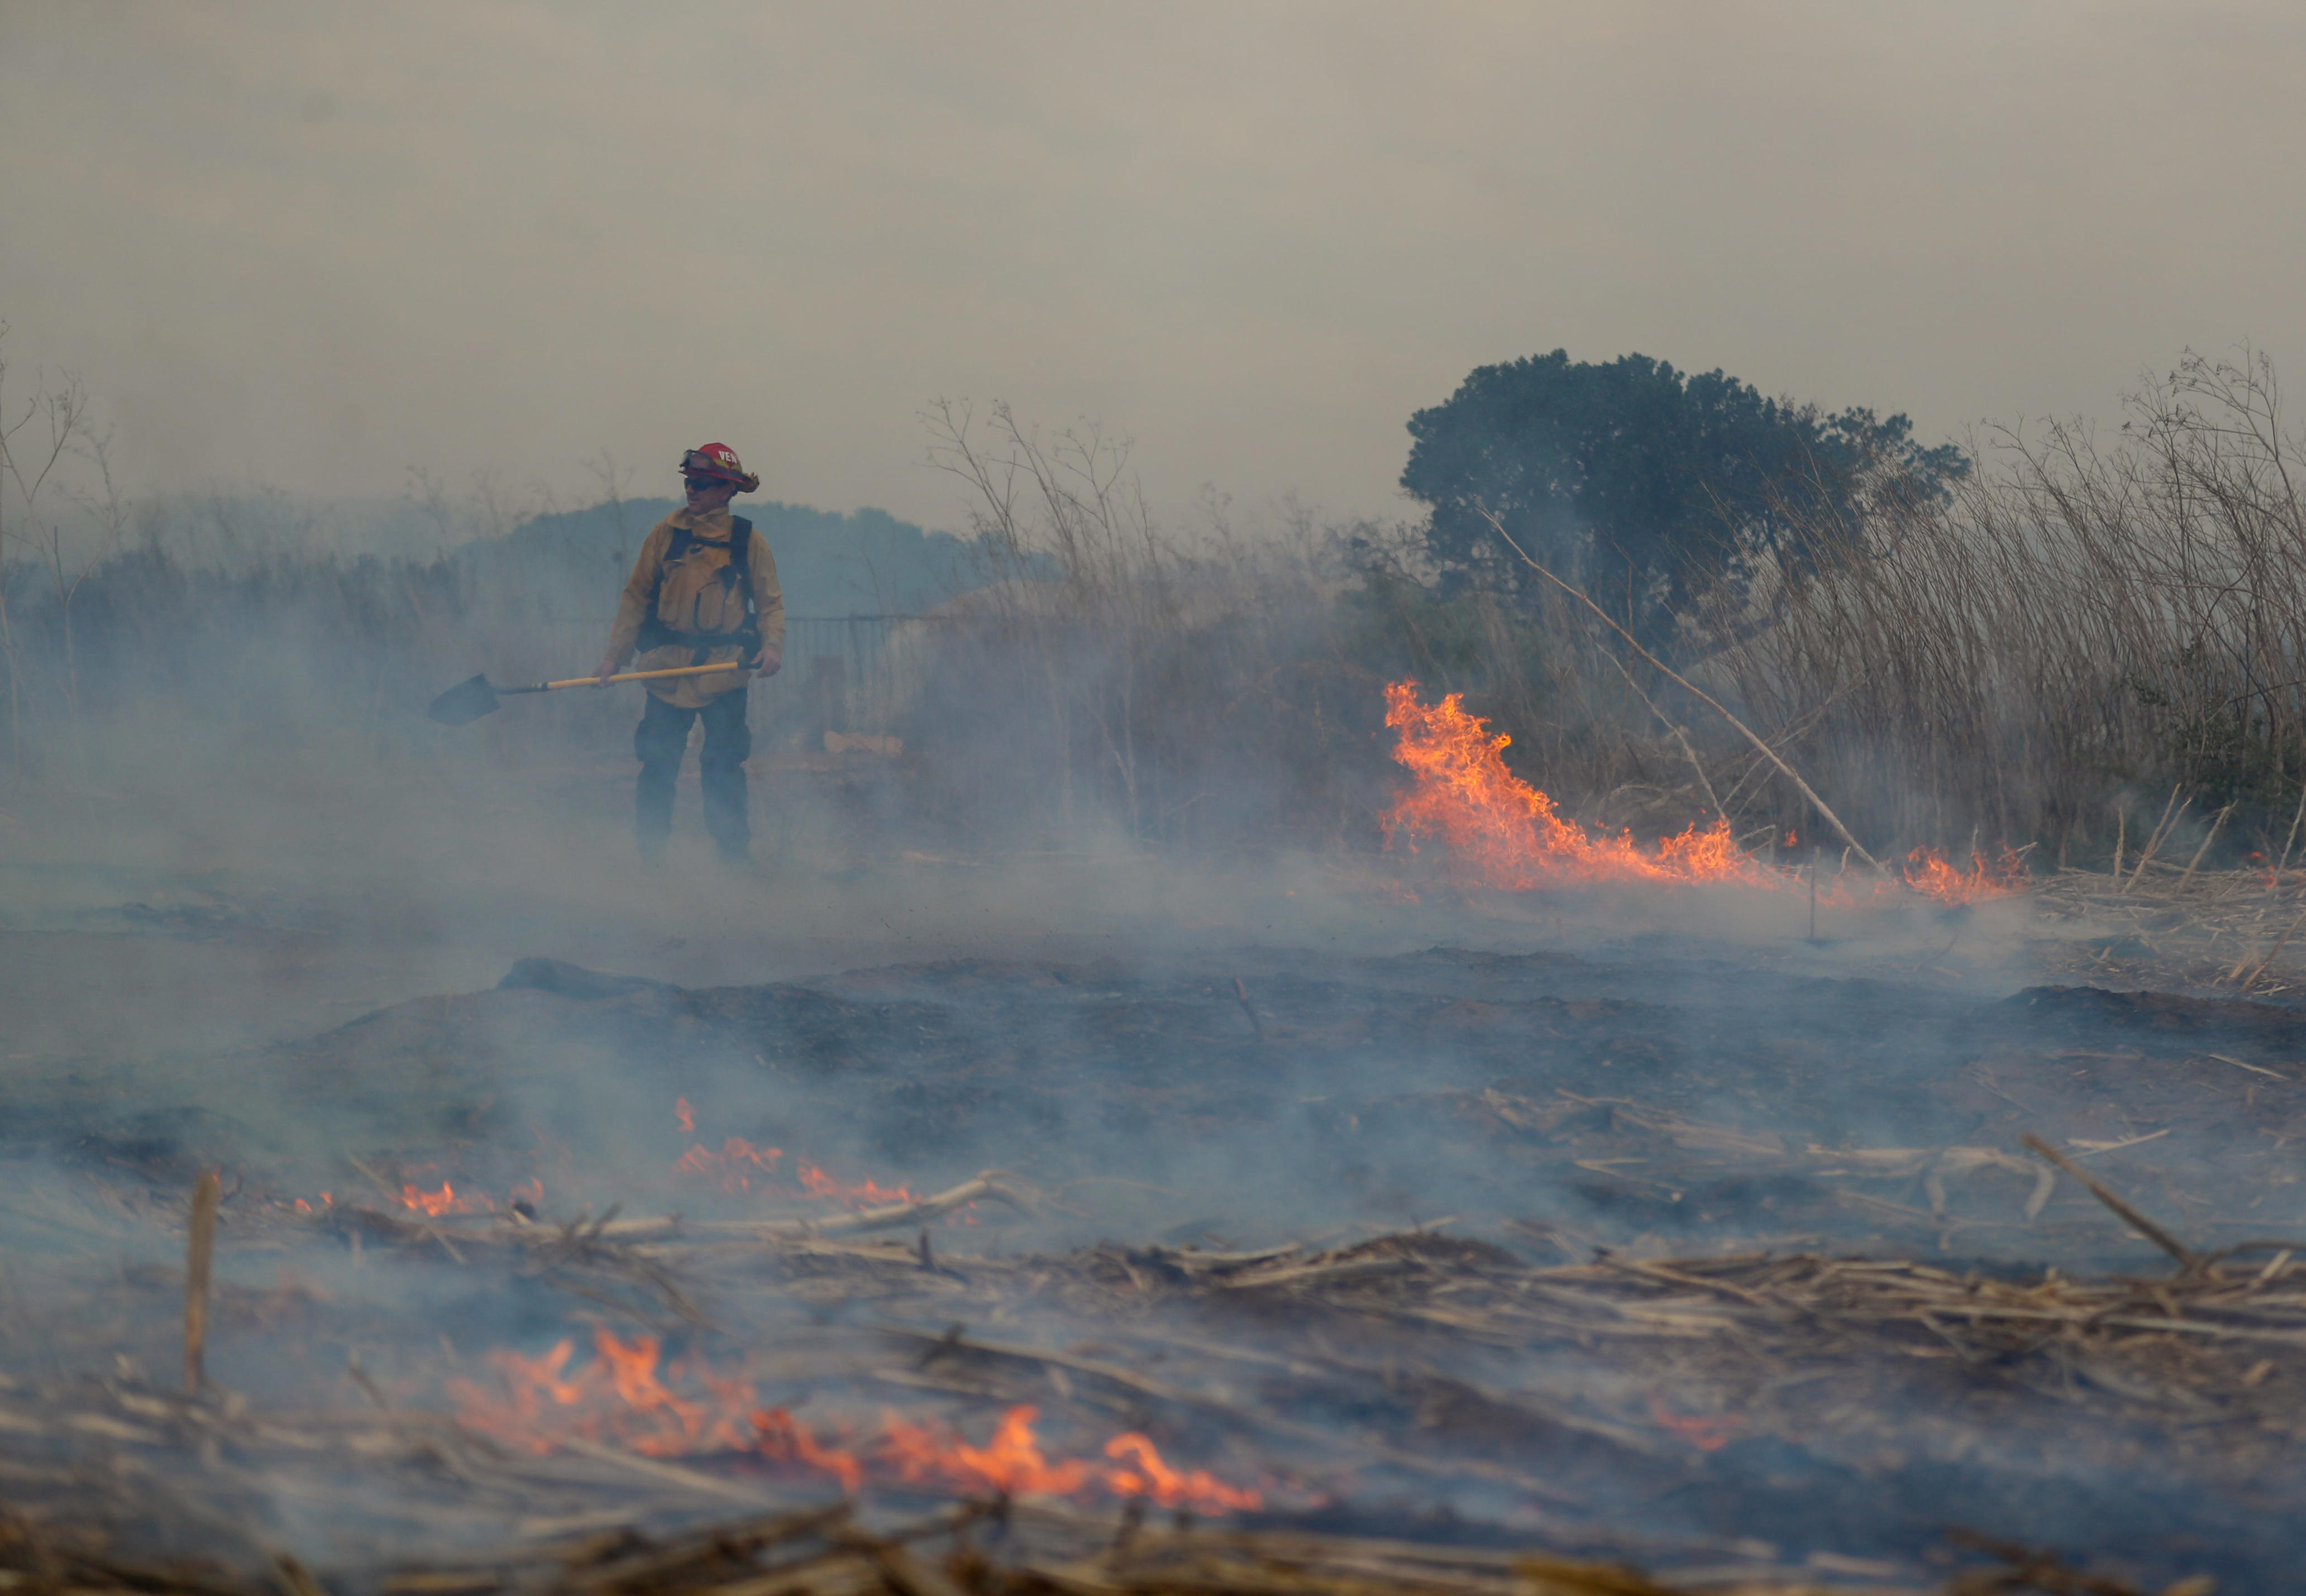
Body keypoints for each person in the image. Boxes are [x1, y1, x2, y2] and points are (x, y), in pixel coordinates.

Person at [594, 443, 785, 864]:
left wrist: (772, 647)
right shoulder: (665, 534)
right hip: (666, 671)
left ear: (726, 490)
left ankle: (734, 861)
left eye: (701, 483)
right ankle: (650, 858)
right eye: (687, 481)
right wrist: (614, 657)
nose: (691, 490)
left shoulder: (747, 541)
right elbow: (635, 597)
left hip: (724, 672)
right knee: (657, 765)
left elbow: (770, 603)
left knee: (722, 767)